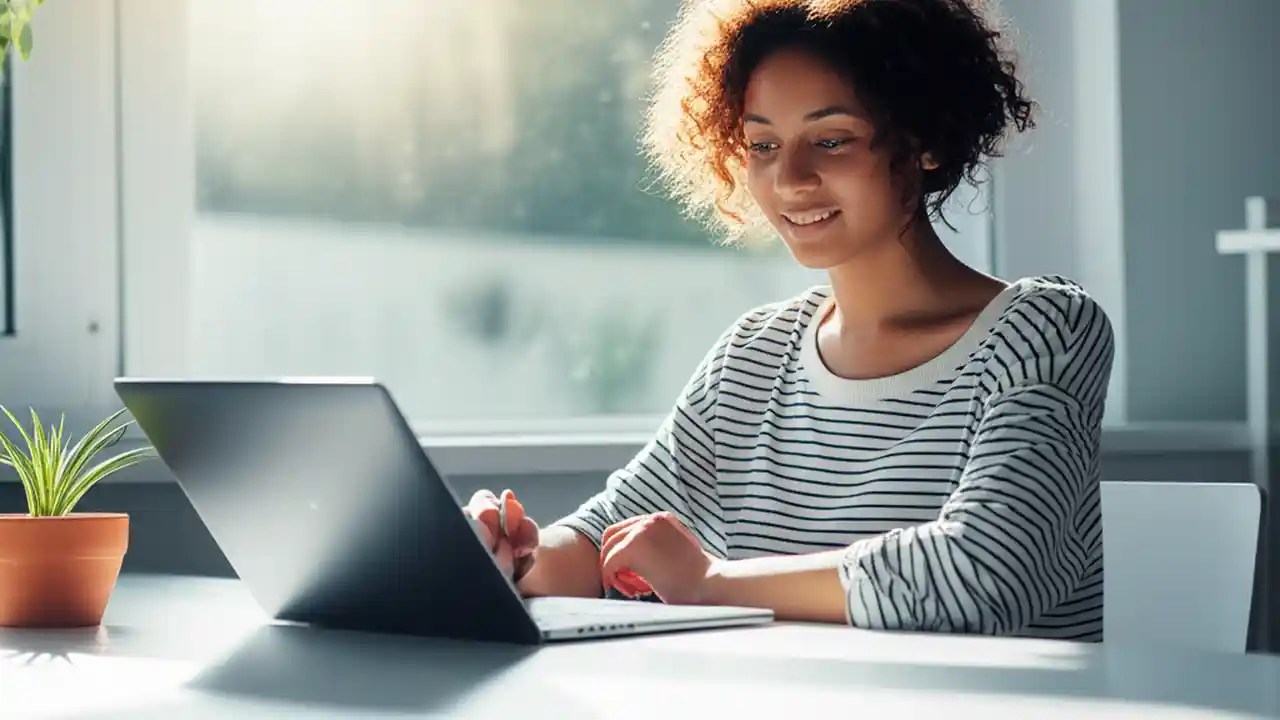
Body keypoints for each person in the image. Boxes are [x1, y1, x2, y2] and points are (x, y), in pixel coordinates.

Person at [467, 0, 1114, 641]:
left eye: (830, 140)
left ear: (927, 140)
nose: (789, 178)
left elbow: (987, 575)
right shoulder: (753, 356)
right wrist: (510, 560)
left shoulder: (1042, 330)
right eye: (763, 145)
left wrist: (712, 584)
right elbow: (600, 543)